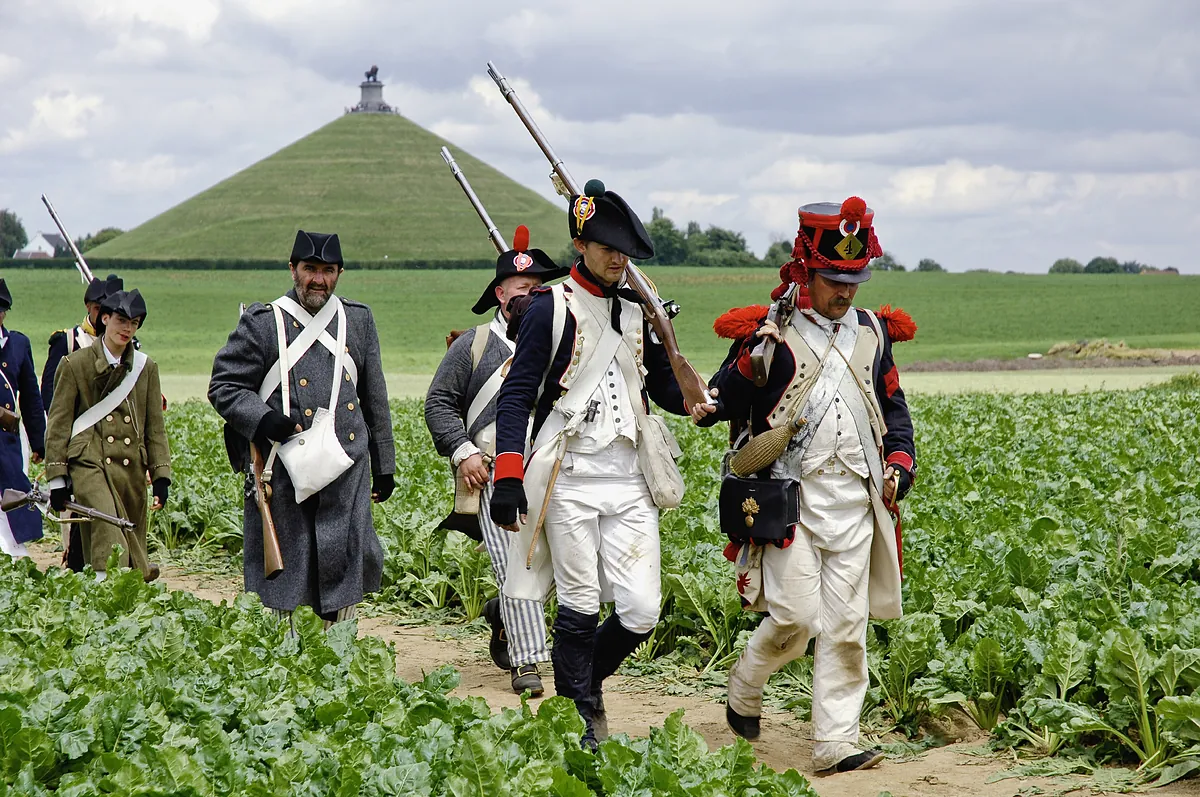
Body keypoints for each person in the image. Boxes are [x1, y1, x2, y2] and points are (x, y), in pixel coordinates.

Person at [490, 180, 717, 747]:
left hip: (630, 475)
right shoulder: (550, 307)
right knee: (580, 603)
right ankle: (584, 713)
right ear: (580, 244)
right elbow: (518, 395)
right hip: (569, 475)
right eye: (606, 246)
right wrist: (509, 474)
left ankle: (581, 682)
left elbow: (664, 386)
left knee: (641, 609)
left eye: (624, 250)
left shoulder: (639, 312)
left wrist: (704, 401)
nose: (618, 258)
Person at [707, 197, 916, 776]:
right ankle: (747, 681)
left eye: (854, 278)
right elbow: (720, 404)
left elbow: (893, 411)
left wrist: (900, 461)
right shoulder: (769, 331)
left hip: (856, 501)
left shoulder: (873, 334)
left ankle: (836, 740)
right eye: (833, 279)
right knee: (797, 620)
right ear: (806, 269)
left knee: (847, 630)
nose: (846, 291)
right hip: (788, 501)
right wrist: (750, 362)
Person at [208, 230, 395, 629]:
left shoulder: (357, 320)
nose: (318, 280)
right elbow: (223, 385)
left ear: (339, 273)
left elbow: (373, 397)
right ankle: (282, 661)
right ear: (293, 269)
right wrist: (261, 418)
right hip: (282, 468)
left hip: (346, 467)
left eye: (328, 271)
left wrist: (384, 464)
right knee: (283, 574)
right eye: (310, 269)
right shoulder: (262, 322)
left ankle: (340, 655)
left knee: (345, 564)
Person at [424, 224, 568, 696]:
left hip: (556, 468)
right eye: (517, 291)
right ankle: (527, 663)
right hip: (491, 472)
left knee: (564, 564)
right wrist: (463, 453)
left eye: (534, 290)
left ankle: (503, 612)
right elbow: (439, 404)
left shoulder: (562, 341)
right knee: (515, 566)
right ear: (500, 294)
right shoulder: (475, 345)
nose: (525, 298)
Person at [43, 289, 171, 581]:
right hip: (89, 461)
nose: (127, 329)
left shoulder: (145, 368)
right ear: (104, 318)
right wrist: (58, 479)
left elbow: (154, 426)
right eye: (122, 320)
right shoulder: (74, 364)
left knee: (129, 536)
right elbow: (60, 425)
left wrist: (161, 475)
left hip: (130, 466)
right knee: (107, 530)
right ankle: (104, 595)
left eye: (135, 323)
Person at [42, 272, 124, 571]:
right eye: (100, 308)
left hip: (114, 445)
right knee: (77, 514)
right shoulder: (67, 341)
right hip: (78, 440)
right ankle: (73, 561)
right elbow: (51, 396)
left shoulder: (128, 342)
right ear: (91, 307)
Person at [0, 279, 47, 560]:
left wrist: (39, 441)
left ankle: (14, 553)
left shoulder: (18, 344)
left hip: (6, 440)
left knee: (12, 494)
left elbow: (30, 397)